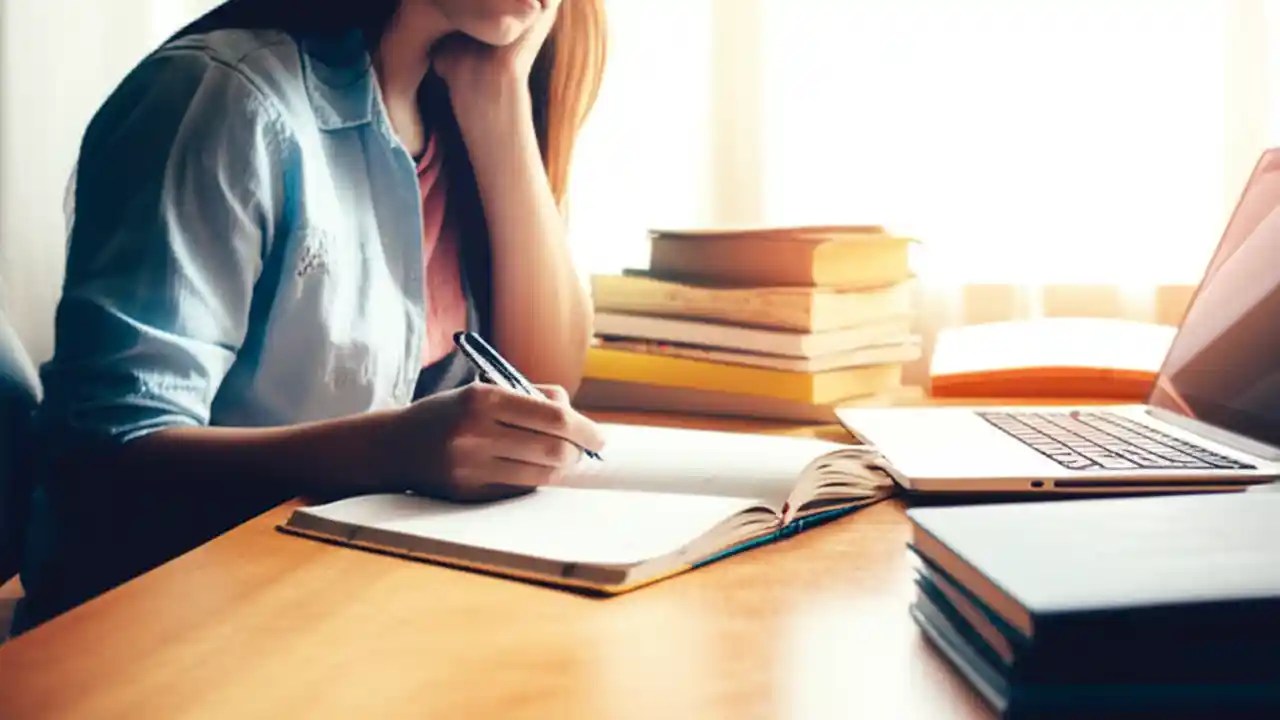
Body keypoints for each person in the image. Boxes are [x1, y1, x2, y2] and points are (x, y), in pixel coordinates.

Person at [14, 0, 608, 633]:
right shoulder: (222, 98)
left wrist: (501, 101)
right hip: (166, 633)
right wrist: (390, 451)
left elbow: (542, 377)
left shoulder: (456, 109)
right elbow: (103, 466)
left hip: (341, 613)